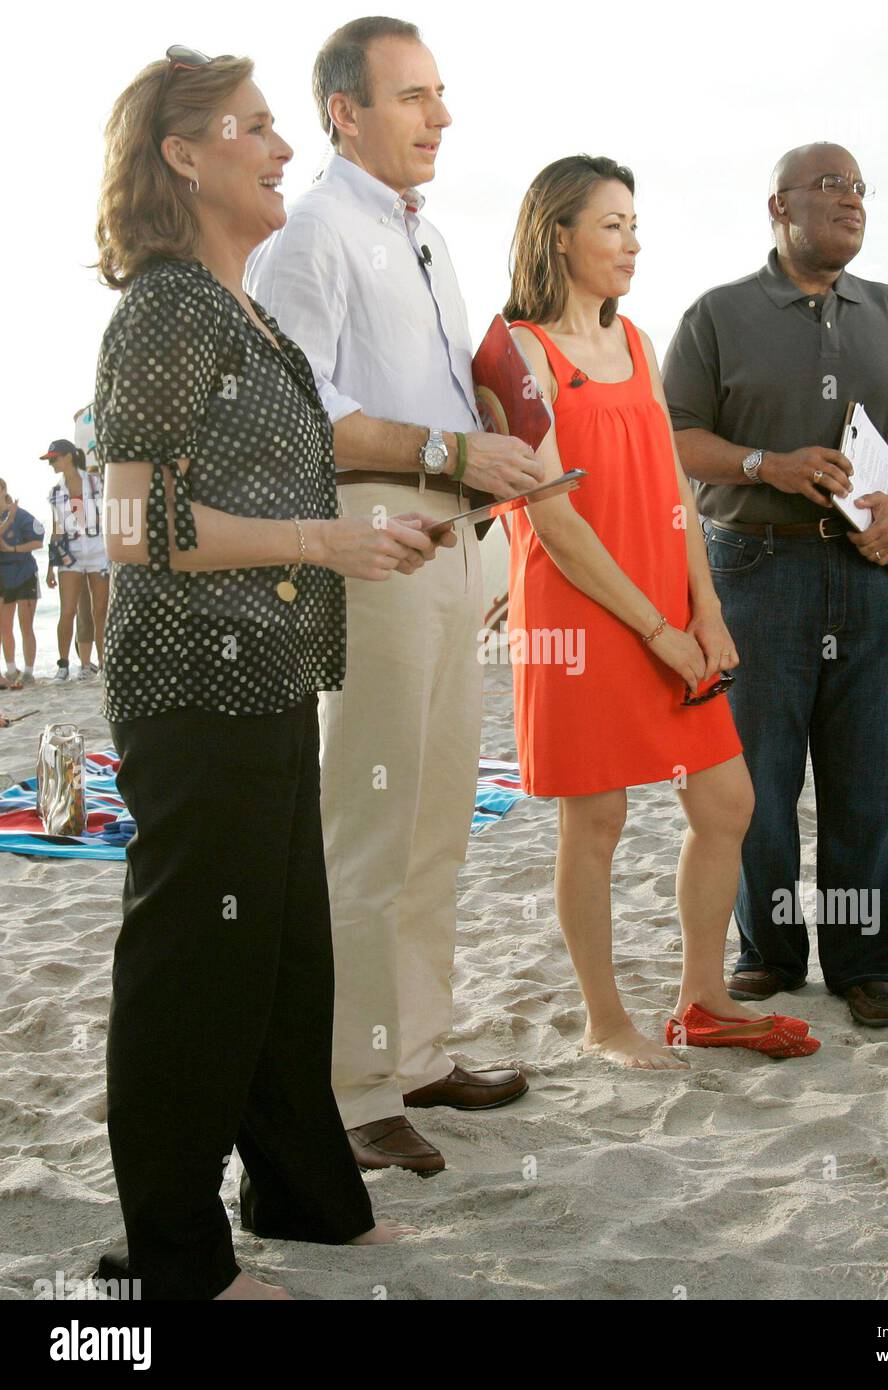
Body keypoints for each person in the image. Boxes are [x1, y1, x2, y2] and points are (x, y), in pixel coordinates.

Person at [94, 46, 442, 1300]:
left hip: (272, 676)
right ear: (183, 157)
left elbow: (270, 495)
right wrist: (321, 539)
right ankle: (169, 1256)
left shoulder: (248, 315)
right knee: (198, 967)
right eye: (250, 126)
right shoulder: (165, 307)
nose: (281, 144)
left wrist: (370, 540)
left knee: (287, 959)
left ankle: (304, 1202)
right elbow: (130, 529)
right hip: (191, 689)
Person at [247, 17, 540, 1176]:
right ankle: (351, 1082)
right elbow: (291, 414)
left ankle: (412, 1051)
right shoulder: (308, 233)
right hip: (371, 530)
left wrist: (498, 440)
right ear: (343, 112)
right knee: (366, 821)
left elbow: (444, 396)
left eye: (440, 93)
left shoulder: (427, 238)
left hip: (451, 534)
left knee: (436, 816)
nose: (440, 116)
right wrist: (446, 452)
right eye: (413, 96)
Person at [503, 156, 819, 1067]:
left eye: (634, 224)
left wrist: (707, 611)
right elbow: (553, 517)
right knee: (595, 821)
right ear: (557, 233)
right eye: (611, 224)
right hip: (584, 617)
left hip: (674, 615)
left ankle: (703, 997)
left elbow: (674, 485)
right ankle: (607, 1023)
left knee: (727, 802)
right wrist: (655, 628)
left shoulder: (639, 341)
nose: (631, 242)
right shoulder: (520, 351)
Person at [663, 143, 888, 1028]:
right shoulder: (716, 314)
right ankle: (768, 954)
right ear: (776, 206)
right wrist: (766, 464)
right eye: (829, 186)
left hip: (873, 572)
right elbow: (673, 435)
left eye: (860, 188)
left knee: (873, 778)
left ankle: (865, 963)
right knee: (754, 779)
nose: (851, 201)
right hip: (754, 568)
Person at [40, 440, 109, 681]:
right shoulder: (56, 492)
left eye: (54, 458)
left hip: (99, 550)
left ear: (68, 457)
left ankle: (102, 664)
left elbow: (112, 515)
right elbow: (57, 530)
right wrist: (50, 567)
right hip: (72, 554)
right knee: (67, 611)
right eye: (50, 460)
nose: (51, 463)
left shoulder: (96, 482)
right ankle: (64, 665)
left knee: (100, 611)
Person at [0, 481, 44, 687]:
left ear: (3, 490)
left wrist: (13, 549)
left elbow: (38, 541)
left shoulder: (22, 515)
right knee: (4, 626)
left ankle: (28, 671)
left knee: (26, 625)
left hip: (25, 572)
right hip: (3, 575)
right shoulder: (8, 517)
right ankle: (10, 669)